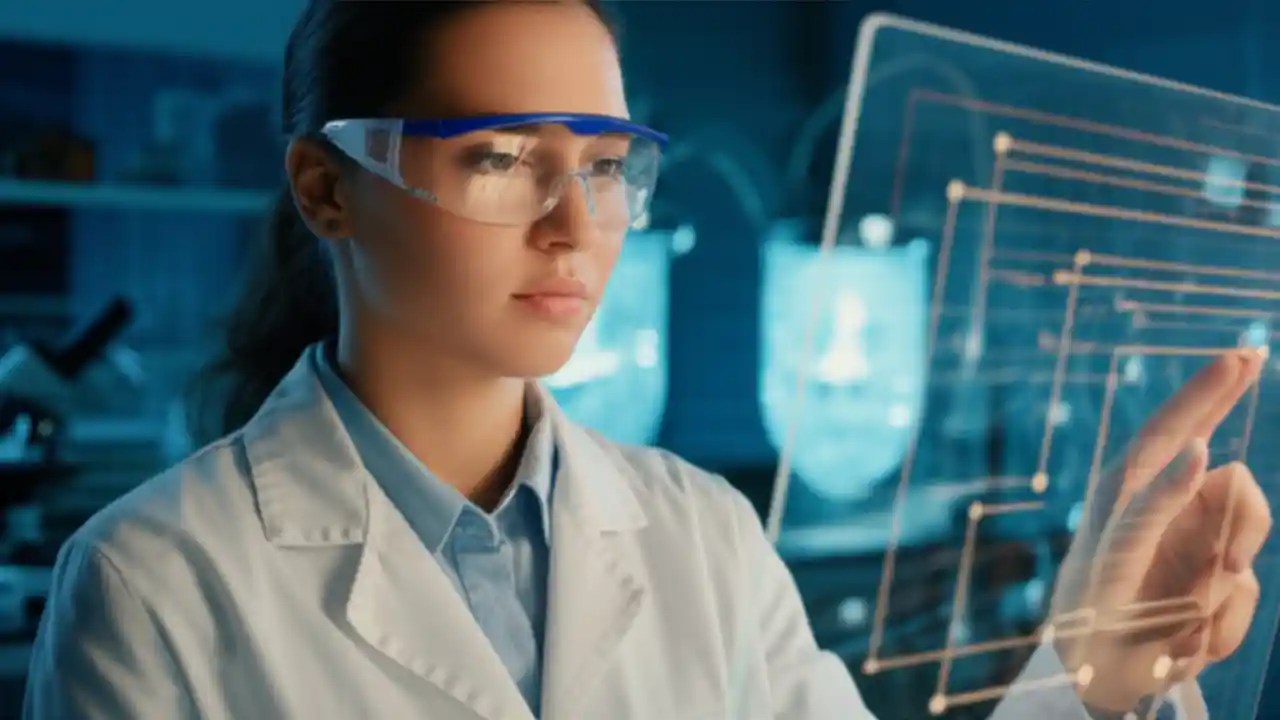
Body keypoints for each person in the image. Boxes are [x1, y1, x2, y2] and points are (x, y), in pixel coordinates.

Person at [21, 1, 1271, 718]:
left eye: (607, 166)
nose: (575, 225)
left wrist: (1094, 671)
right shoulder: (153, 582)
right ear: (326, 188)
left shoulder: (701, 534)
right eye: (501, 159)